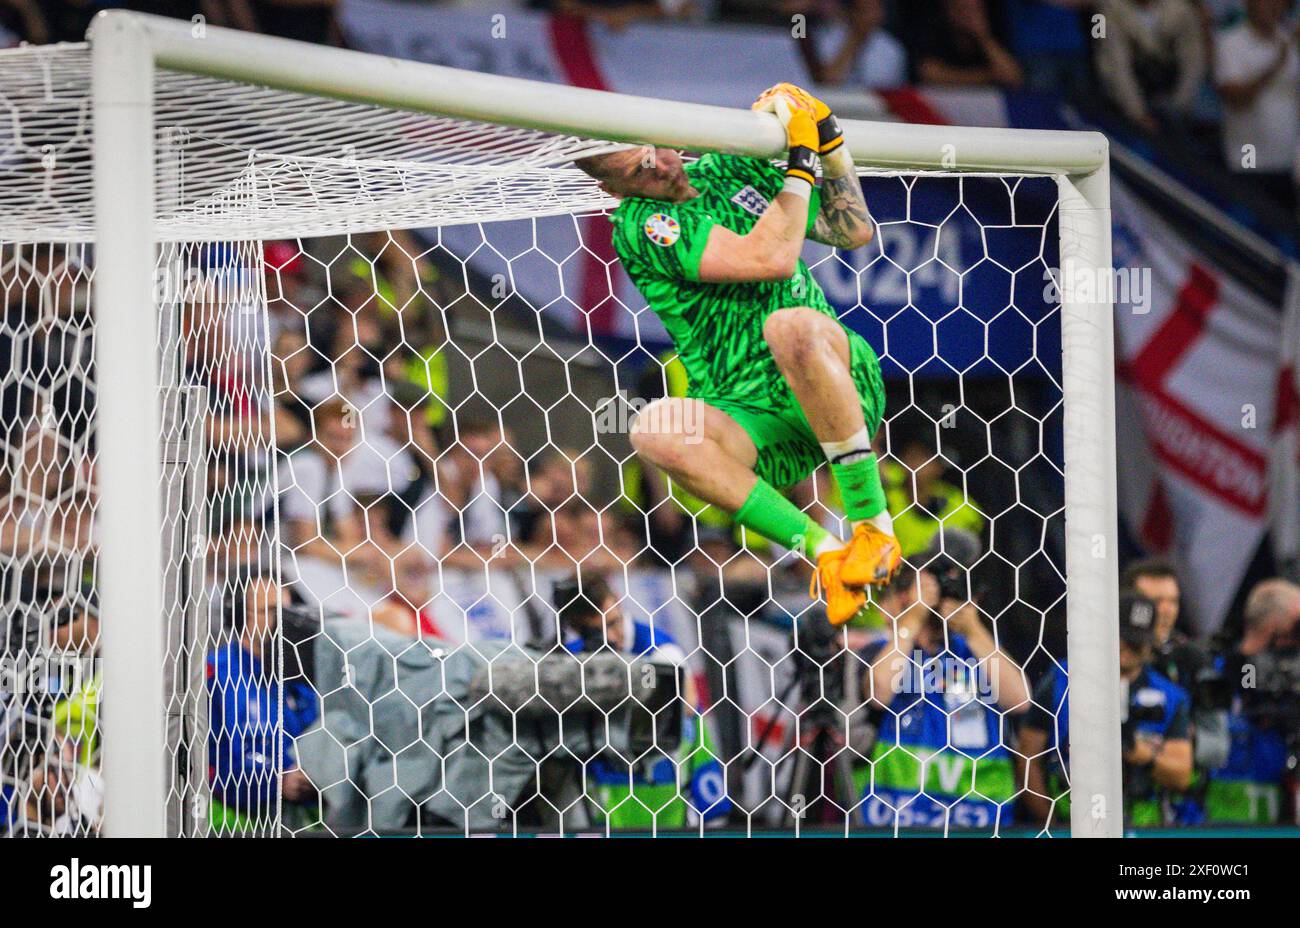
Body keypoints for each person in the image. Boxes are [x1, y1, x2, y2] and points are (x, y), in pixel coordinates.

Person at [575, 83, 900, 627]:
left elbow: (853, 229)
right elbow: (769, 257)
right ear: (612, 188)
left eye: (653, 149)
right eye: (636, 170)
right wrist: (802, 159)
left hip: (833, 384)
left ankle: (871, 525)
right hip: (752, 421)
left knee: (790, 326)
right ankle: (826, 553)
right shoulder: (641, 226)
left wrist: (831, 143)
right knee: (655, 429)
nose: (657, 167)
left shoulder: (728, 168)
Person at [859, 556, 1030, 829]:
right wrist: (913, 618)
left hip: (979, 820)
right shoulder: (883, 650)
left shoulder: (976, 650)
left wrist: (973, 630)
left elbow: (1020, 701)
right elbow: (879, 693)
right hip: (897, 817)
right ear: (904, 596)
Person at [555, 572, 730, 828]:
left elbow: (689, 705)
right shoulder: (570, 657)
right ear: (575, 626)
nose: (612, 638)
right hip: (605, 789)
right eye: (597, 631)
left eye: (613, 623)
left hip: (664, 782)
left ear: (617, 602)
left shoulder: (658, 649)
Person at [1019, 591, 1194, 829]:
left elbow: (1182, 775)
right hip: (1069, 822)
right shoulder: (1062, 679)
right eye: (1120, 636)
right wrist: (1051, 822)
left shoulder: (1171, 696)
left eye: (1136, 640)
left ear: (1151, 642)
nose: (1125, 647)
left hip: (1145, 829)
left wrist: (1142, 754)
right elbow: (1028, 758)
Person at [208, 573, 320, 832]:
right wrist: (276, 782)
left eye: (287, 612)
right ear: (238, 616)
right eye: (269, 611)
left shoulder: (300, 673)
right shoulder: (215, 673)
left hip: (303, 809)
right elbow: (208, 760)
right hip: (236, 817)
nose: (282, 622)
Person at [1204, 578, 1300, 824]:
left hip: (1282, 821)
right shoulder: (1215, 673)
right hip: (1218, 824)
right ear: (1273, 626)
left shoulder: (1292, 680)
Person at [1213, 0, 1299, 215]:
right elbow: (1235, 98)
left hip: (1288, 165)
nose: (1273, 7)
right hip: (1248, 158)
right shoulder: (1230, 43)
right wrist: (1274, 65)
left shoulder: (1290, 41)